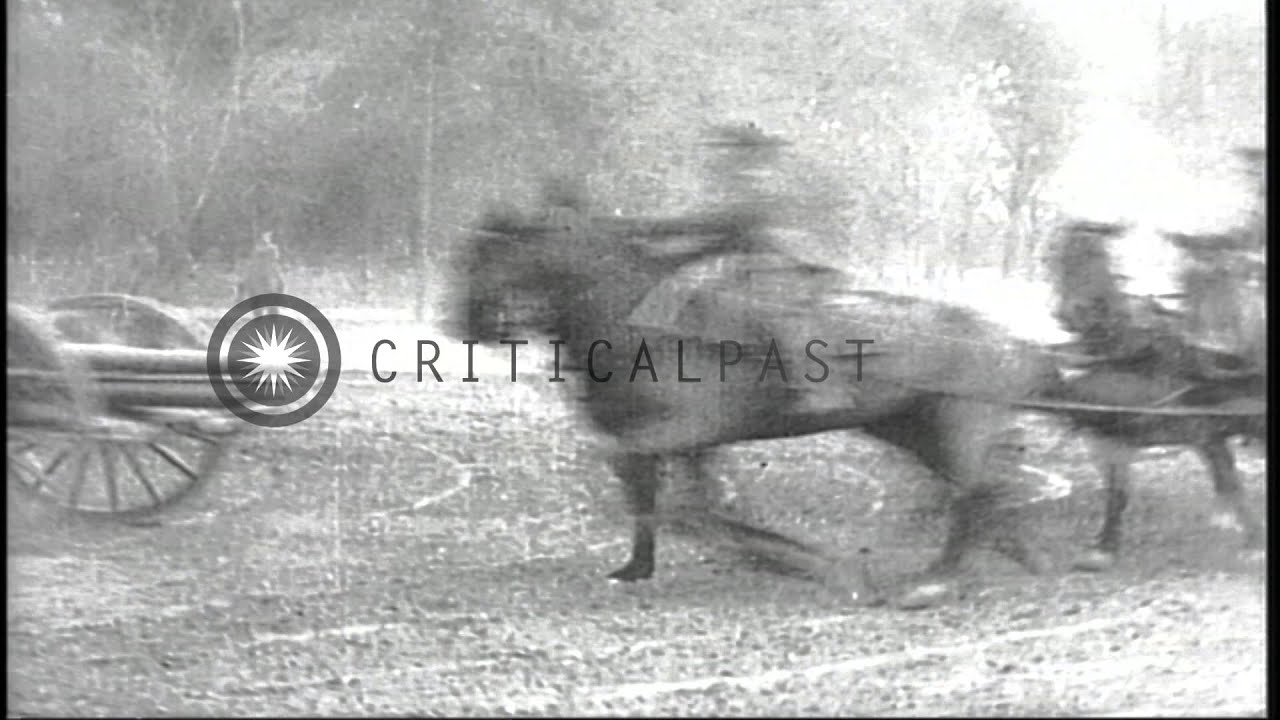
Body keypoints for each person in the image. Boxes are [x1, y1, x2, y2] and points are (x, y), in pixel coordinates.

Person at [236, 231, 286, 300]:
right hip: (257, 265)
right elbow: (252, 257)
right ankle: (240, 297)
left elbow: (275, 257)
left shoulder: (272, 248)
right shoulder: (256, 247)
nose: (262, 241)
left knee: (280, 280)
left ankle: (281, 296)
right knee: (243, 279)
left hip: (269, 265)